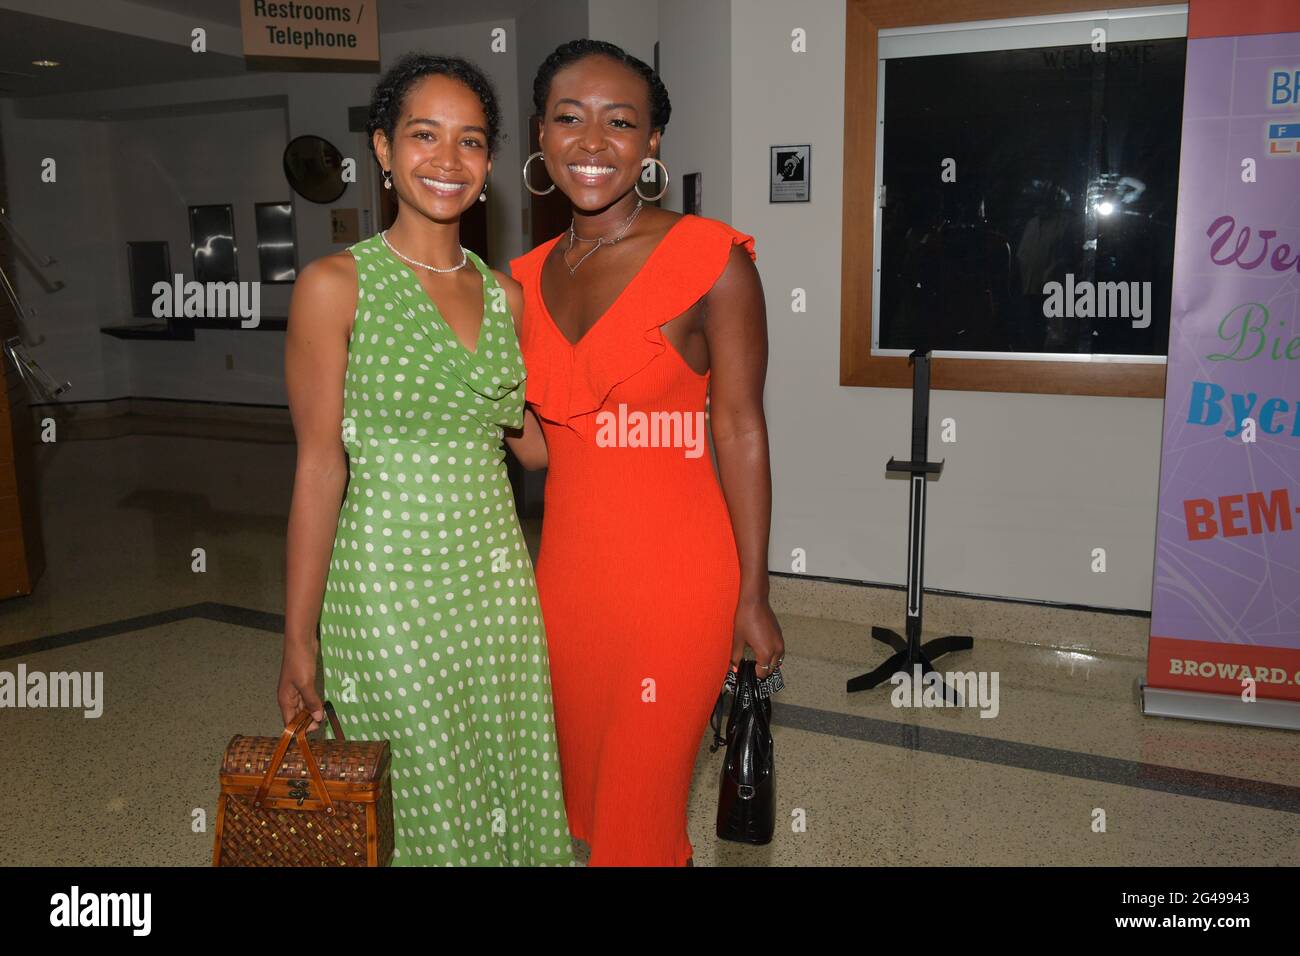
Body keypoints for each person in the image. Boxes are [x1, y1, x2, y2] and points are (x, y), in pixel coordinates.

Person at [277, 52, 573, 866]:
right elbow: (317, 468)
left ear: (490, 161)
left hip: (494, 583)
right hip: (387, 588)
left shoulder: (506, 296)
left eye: (471, 141)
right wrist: (297, 639)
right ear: (381, 148)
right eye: (424, 135)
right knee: (422, 794)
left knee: (503, 776)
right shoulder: (337, 285)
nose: (449, 161)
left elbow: (536, 449)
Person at [508, 39, 784, 866]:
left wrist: (756, 593)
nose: (593, 142)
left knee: (639, 819)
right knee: (587, 812)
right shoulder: (515, 281)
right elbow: (541, 452)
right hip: (567, 582)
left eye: (620, 121)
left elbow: (739, 427)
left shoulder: (712, 262)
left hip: (683, 583)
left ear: (654, 141)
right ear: (541, 132)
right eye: (570, 117)